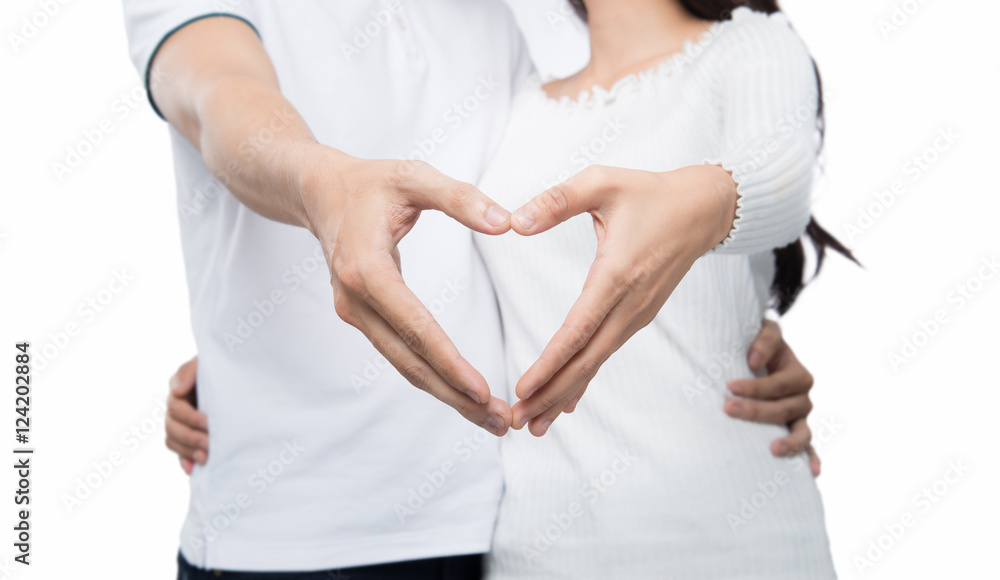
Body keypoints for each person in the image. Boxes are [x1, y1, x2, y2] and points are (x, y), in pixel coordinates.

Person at [130, 1, 824, 578]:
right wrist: (318, 199)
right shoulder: (534, 95)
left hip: (504, 527)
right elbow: (218, 97)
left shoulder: (522, 29)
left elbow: (774, 173)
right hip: (316, 538)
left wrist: (721, 322)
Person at [470, 1, 851, 577]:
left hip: (738, 539)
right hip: (543, 548)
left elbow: (780, 180)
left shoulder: (750, 48)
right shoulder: (513, 105)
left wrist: (705, 204)